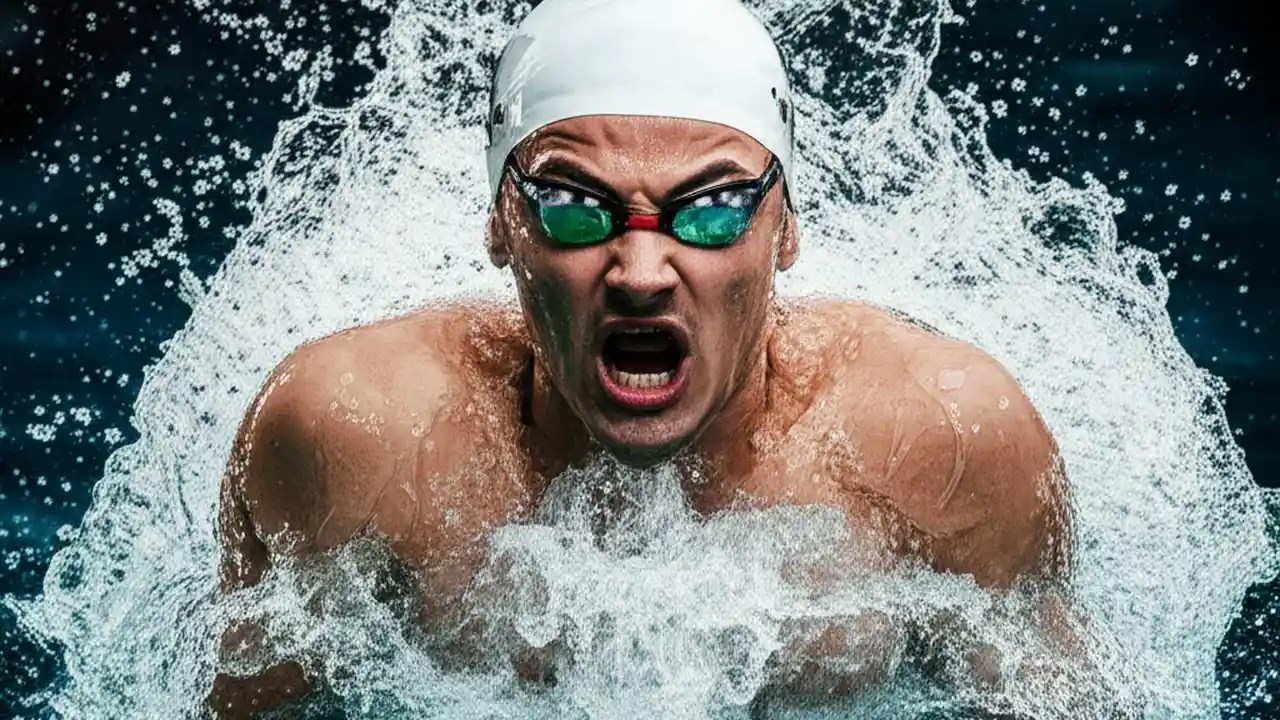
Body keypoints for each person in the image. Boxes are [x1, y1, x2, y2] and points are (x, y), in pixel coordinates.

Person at [209, 0, 1074, 715]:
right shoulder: (348, 436)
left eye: (710, 211)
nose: (641, 273)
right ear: (500, 226)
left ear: (787, 229)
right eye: (577, 209)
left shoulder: (948, 444)